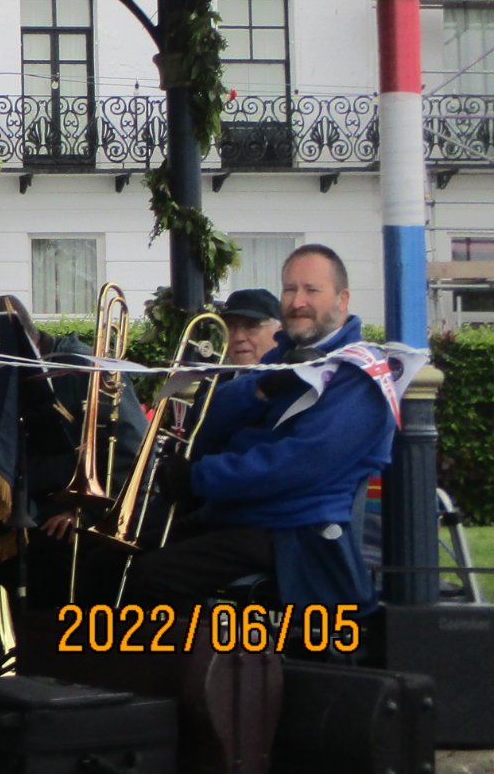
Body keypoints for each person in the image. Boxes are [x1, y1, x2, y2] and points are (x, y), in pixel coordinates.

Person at [129, 245, 397, 613]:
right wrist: (257, 390)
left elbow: (298, 464)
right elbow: (205, 427)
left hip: (295, 532)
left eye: (311, 290)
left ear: (342, 299)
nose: (298, 301)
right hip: (241, 516)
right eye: (289, 290)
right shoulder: (282, 358)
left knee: (150, 577)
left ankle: (215, 667)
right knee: (113, 558)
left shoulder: (358, 374)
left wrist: (200, 478)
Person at [217, 287, 283, 367]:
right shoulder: (212, 377)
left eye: (251, 325)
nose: (238, 337)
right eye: (230, 326)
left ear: (280, 332)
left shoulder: (295, 377)